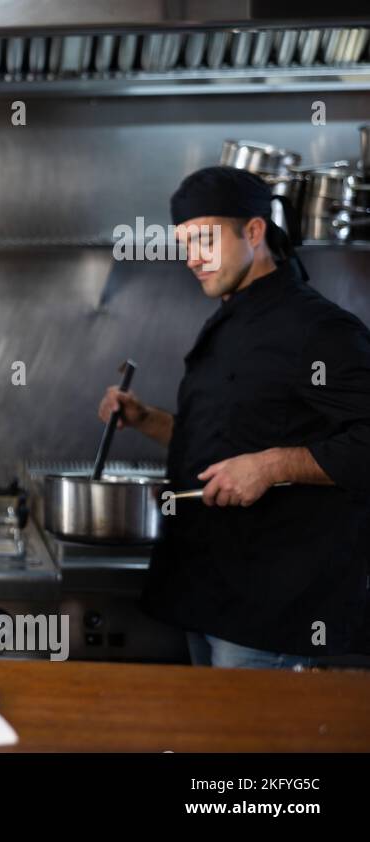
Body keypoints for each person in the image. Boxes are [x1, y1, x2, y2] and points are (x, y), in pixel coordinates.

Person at [97, 166, 370, 668]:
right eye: (184, 243)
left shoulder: (320, 329)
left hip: (271, 605)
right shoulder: (229, 320)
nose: (192, 258)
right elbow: (223, 440)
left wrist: (273, 466)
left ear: (254, 231)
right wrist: (146, 419)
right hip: (207, 589)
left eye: (205, 239)